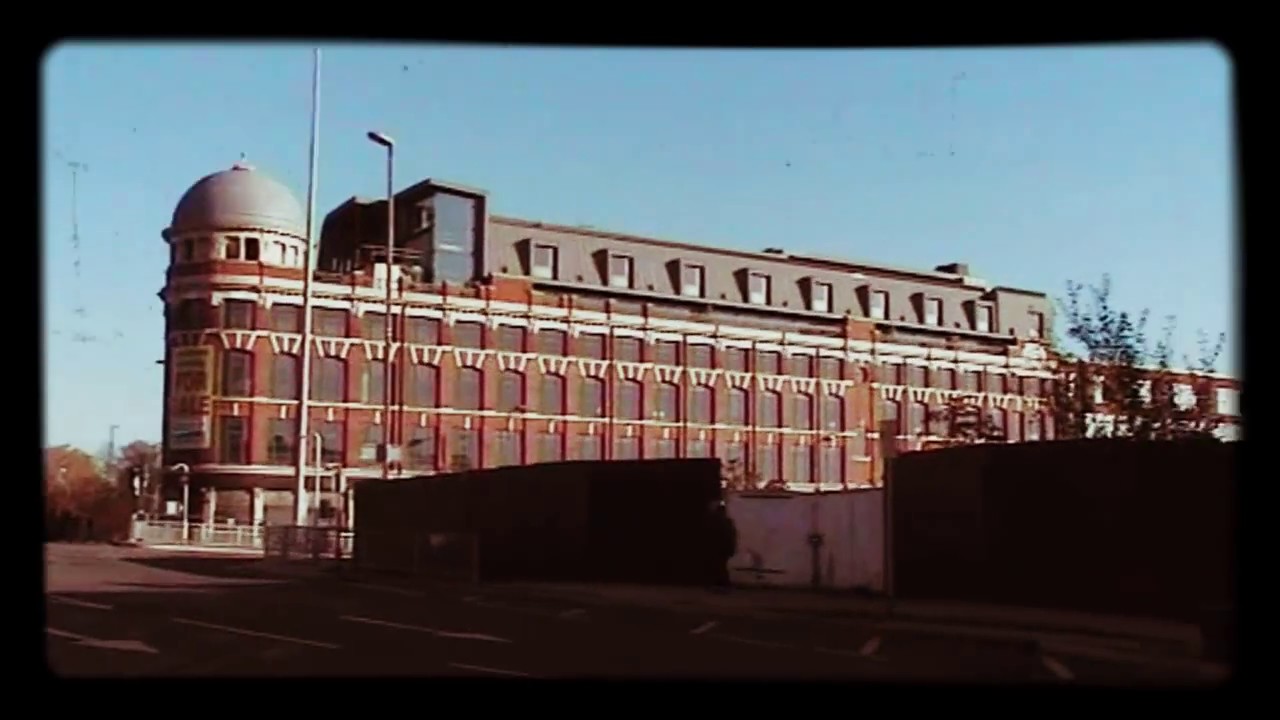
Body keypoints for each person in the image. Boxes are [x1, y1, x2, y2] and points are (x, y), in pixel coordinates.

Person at [709, 501, 737, 591]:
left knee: (719, 566)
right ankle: (723, 584)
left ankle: (723, 584)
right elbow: (732, 535)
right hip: (725, 548)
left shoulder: (717, 521)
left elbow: (716, 535)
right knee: (721, 565)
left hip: (720, 548)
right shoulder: (727, 522)